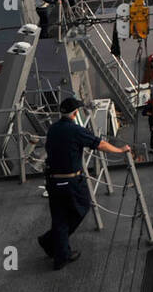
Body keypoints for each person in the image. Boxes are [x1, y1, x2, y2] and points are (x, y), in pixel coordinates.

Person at [36, 97, 130, 270]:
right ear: (75, 113)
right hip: (70, 182)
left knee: (59, 217)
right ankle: (56, 248)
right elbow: (99, 144)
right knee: (81, 208)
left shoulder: (53, 129)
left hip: (53, 181)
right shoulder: (76, 130)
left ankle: (55, 247)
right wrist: (120, 150)